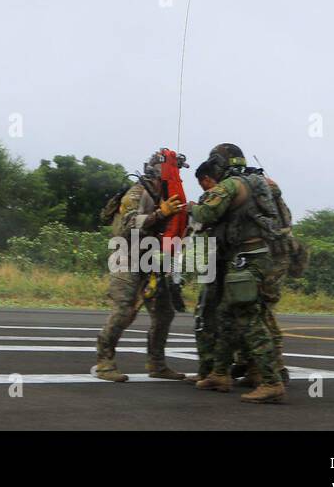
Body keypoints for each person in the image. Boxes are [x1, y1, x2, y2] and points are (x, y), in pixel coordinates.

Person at [189, 143, 287, 404]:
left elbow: (206, 212)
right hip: (257, 257)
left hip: (247, 258)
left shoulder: (231, 185)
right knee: (226, 315)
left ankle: (271, 381)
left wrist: (189, 207)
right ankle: (220, 373)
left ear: (219, 164)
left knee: (249, 320)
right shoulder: (260, 182)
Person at [93, 152, 185, 383]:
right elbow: (128, 226)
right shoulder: (135, 194)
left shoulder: (164, 195)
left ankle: (157, 364)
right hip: (126, 257)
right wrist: (159, 214)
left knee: (164, 312)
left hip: (151, 259)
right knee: (124, 310)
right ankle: (104, 362)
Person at [188, 160, 228, 386]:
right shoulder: (234, 195)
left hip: (212, 264)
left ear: (205, 179)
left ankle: (208, 371)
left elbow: (199, 225)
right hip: (229, 264)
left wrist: (191, 208)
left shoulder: (211, 198)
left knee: (204, 317)